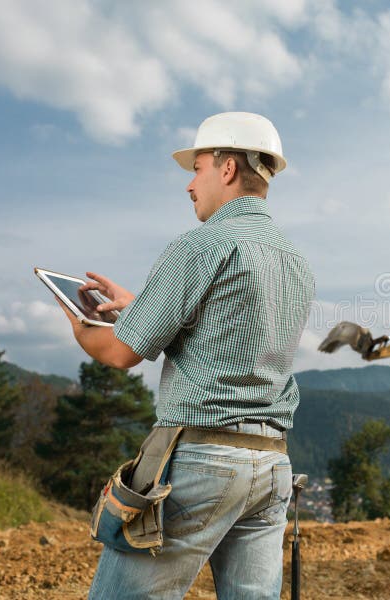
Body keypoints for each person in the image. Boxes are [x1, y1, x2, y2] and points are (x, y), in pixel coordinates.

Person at [57, 112, 315, 599]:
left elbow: (119, 352)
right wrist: (143, 304)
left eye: (196, 168)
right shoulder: (294, 260)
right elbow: (228, 325)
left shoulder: (202, 244)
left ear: (228, 169)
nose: (189, 185)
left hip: (203, 459)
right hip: (271, 465)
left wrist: (81, 325)